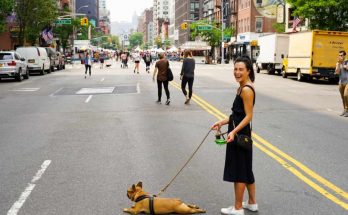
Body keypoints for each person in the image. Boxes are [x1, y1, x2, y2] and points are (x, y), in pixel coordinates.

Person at [211, 56, 257, 215]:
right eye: (235, 69)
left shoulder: (246, 90)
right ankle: (251, 203)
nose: (237, 72)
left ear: (248, 71)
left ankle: (238, 208)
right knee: (245, 169)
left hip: (239, 135)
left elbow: (248, 116)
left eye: (241, 69)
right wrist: (222, 122)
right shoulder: (242, 87)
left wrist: (233, 131)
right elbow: (237, 114)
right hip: (238, 132)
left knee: (239, 171)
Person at [335, 50, 348, 117]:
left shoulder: (347, 62)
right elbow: (337, 72)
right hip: (341, 82)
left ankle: (347, 109)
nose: (340, 56)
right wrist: (338, 64)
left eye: (341, 55)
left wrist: (344, 65)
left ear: (344, 56)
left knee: (346, 95)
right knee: (343, 97)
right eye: (339, 55)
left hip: (347, 82)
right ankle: (345, 110)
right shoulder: (338, 63)